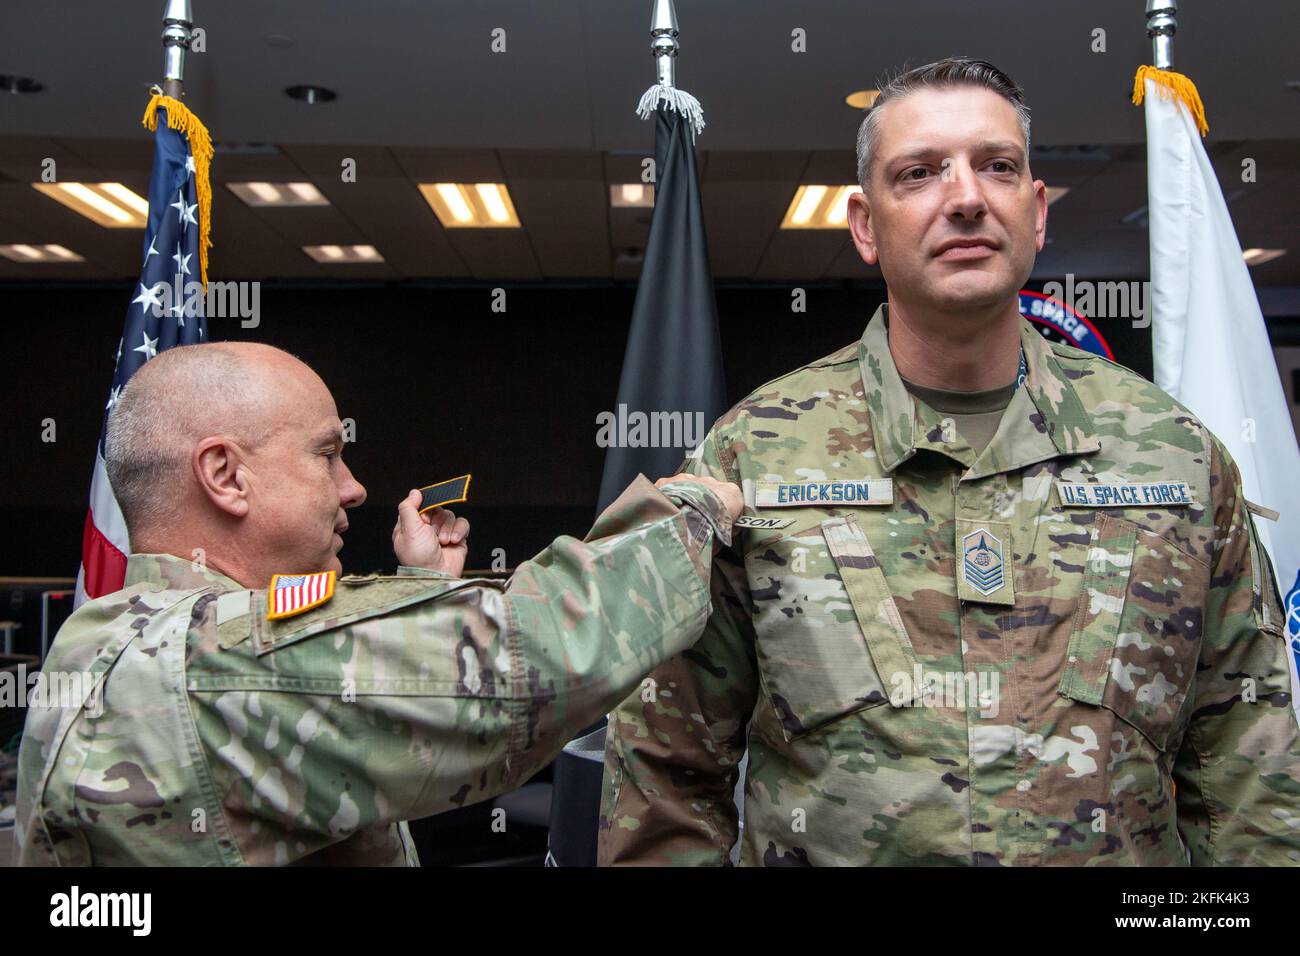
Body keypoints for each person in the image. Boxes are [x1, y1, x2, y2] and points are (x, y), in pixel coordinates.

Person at [599, 57, 1300, 866]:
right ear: (865, 224)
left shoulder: (1174, 455)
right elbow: (666, 774)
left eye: (996, 166)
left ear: (1037, 212)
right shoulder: (751, 456)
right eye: (919, 173)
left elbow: (1247, 764)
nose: (965, 197)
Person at [15, 341, 741, 866]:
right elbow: (524, 664)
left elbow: (355, 713)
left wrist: (423, 586)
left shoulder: (143, 633)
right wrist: (691, 513)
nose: (353, 486)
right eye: (326, 454)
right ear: (225, 475)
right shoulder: (173, 666)